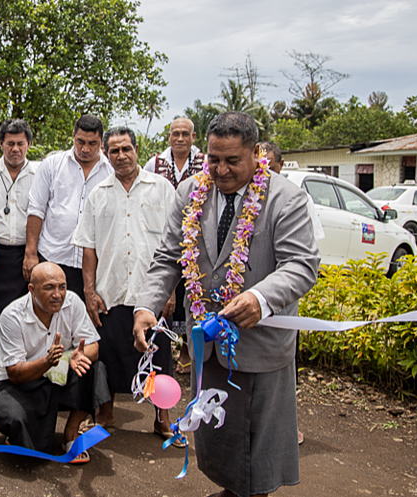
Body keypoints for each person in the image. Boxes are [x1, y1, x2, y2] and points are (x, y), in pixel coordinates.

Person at [133, 112, 320, 497]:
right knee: (221, 432)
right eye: (214, 159)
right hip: (209, 343)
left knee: (259, 440)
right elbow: (168, 257)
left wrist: (260, 297)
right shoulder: (189, 193)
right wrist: (146, 306)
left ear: (255, 153)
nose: (220, 170)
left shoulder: (286, 198)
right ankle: (233, 490)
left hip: (261, 345)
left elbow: (301, 265)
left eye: (232, 160)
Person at [71, 126, 181, 445]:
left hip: (152, 293)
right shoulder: (98, 194)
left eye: (127, 149)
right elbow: (88, 247)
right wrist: (89, 292)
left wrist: (171, 289)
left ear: (138, 149)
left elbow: (174, 245)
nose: (121, 156)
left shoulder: (162, 189)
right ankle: (105, 414)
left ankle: (163, 418)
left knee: (159, 357)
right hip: (111, 292)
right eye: (115, 150)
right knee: (109, 355)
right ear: (107, 153)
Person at [0, 262, 109, 464]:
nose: (57, 294)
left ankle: (71, 433)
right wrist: (47, 362)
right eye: (49, 287)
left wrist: (78, 355)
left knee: (94, 369)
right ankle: (20, 432)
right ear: (31, 289)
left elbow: (93, 346)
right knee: (27, 452)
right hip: (18, 384)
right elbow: (15, 374)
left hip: (56, 376)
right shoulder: (12, 316)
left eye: (62, 287)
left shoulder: (73, 302)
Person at [259, 140, 323, 447]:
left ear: (280, 167)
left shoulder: (292, 198)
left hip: (279, 307)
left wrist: (269, 294)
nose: (262, 172)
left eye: (267, 166)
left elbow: (305, 259)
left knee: (282, 372)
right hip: (240, 316)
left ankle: (286, 426)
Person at [24, 114, 112, 299]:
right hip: (53, 256)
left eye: (92, 143)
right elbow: (36, 210)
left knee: (85, 319)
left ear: (101, 142)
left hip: (92, 265)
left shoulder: (111, 172)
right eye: (80, 141)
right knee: (48, 314)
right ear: (73, 135)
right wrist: (30, 253)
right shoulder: (52, 165)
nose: (85, 148)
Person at [144, 117, 206, 374]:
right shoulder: (155, 163)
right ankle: (166, 347)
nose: (180, 138)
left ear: (193, 138)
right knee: (165, 291)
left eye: (185, 134)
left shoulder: (205, 162)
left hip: (198, 240)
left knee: (189, 296)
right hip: (164, 235)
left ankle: (186, 351)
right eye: (175, 133)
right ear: (169, 137)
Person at [0, 118, 38, 364]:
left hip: (29, 254)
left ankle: (25, 367)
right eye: (10, 143)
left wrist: (31, 252)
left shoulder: (39, 173)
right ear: (1, 144)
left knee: (28, 314)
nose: (15, 149)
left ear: (29, 145)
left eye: (20, 144)